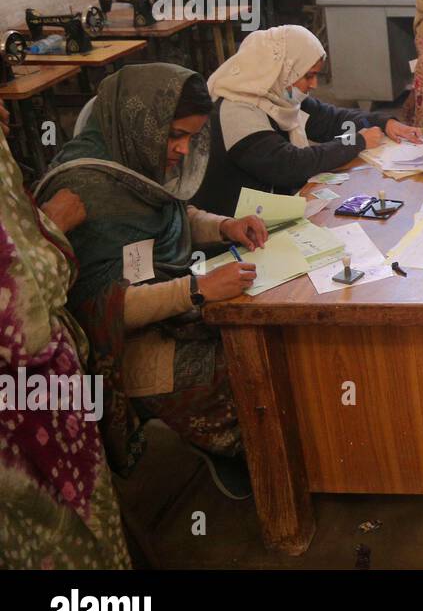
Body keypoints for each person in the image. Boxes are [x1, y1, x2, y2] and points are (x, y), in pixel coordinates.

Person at [35, 64, 268, 500]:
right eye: (175, 135)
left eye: (191, 138)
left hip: (168, 309)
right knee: (242, 372)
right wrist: (196, 290)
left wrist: (225, 226)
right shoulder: (84, 189)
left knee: (263, 340)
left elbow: (170, 213)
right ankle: (248, 460)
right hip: (122, 345)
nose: (181, 149)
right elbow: (96, 307)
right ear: (142, 121)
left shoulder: (133, 157)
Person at [0, 107, 131, 568]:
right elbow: (23, 310)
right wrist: (52, 229)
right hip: (25, 402)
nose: (5, 115)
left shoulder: (135, 177)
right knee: (65, 537)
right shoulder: (89, 185)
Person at [191, 26, 420, 217]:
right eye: (308, 75)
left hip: (268, 212)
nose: (314, 85)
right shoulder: (236, 111)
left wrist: (382, 123)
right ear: (283, 70)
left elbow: (331, 120)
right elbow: (289, 165)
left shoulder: (280, 98)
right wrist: (356, 142)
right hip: (236, 226)